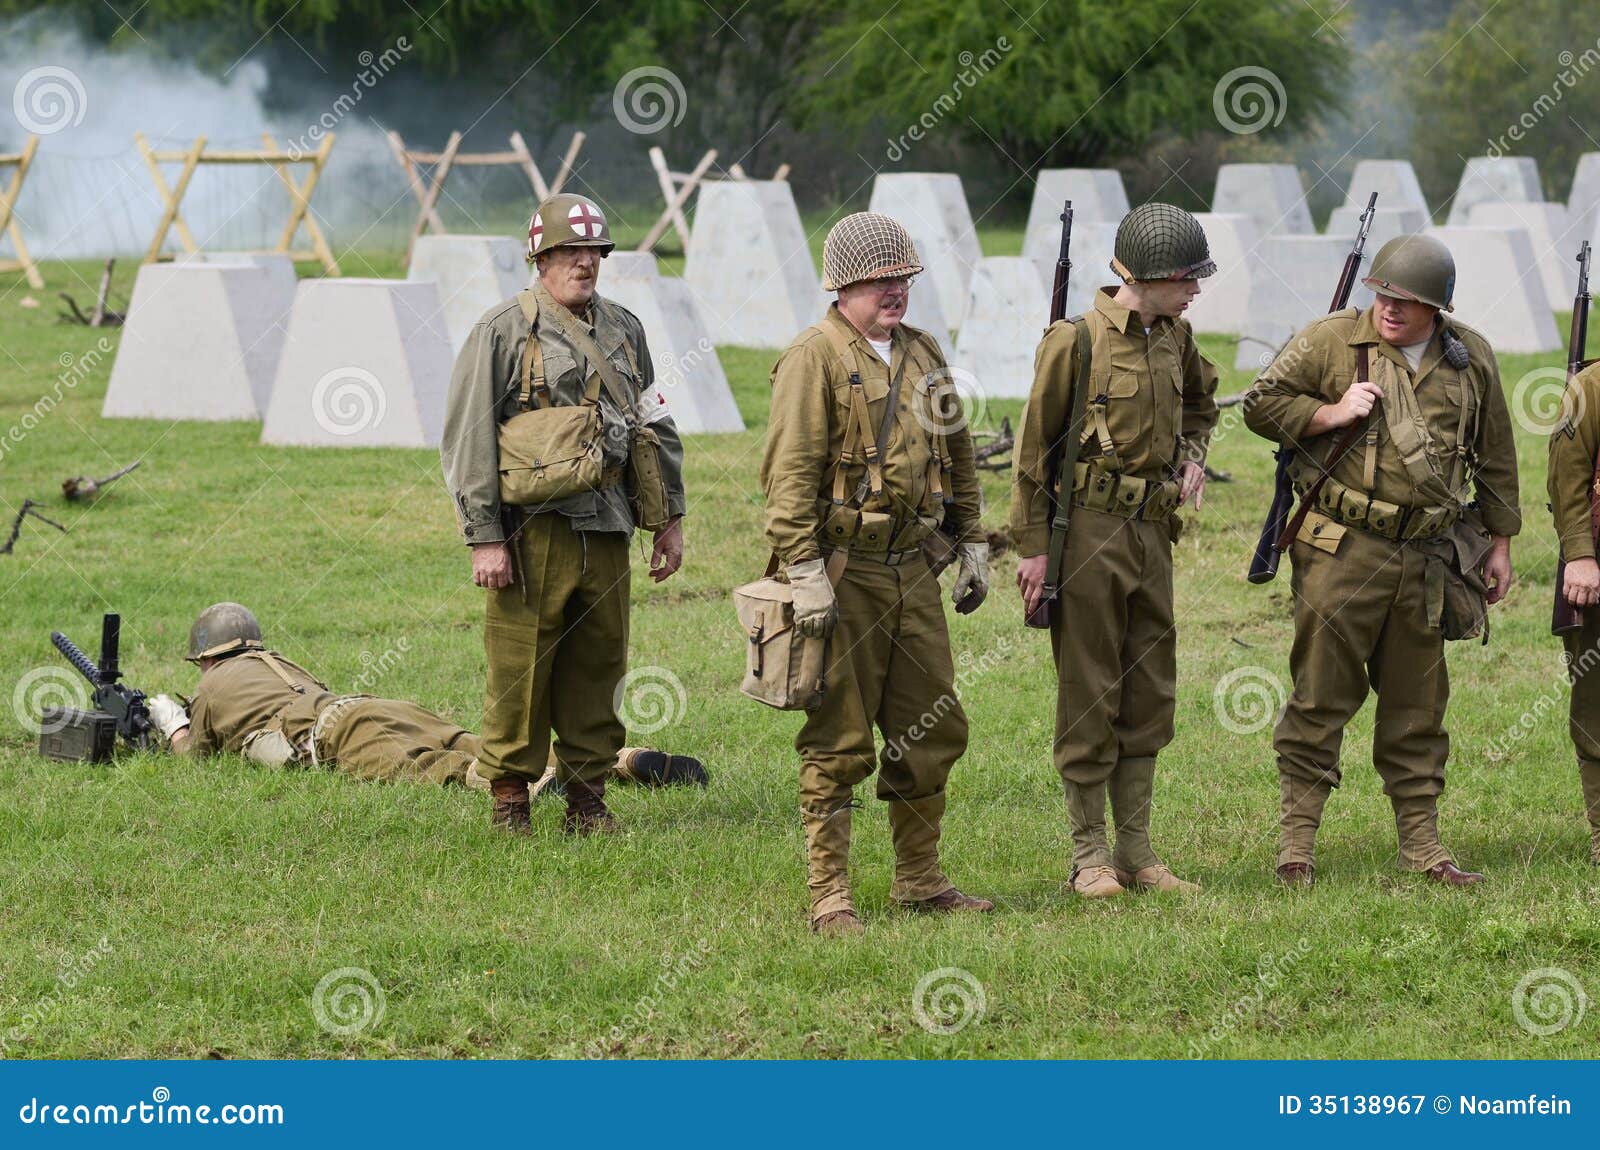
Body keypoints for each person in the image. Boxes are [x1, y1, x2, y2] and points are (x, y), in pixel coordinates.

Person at [1243, 233, 1520, 886]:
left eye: (1408, 301)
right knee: (1320, 696)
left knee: (1418, 706)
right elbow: (1260, 406)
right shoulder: (1331, 339)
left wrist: (1500, 543)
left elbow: (1498, 455)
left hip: (1429, 554)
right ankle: (1296, 847)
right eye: (1384, 296)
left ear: (1437, 307)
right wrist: (1329, 412)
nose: (1392, 310)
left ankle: (1424, 848)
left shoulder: (1469, 357)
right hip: (1343, 545)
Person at [760, 211, 993, 935]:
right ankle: (830, 893)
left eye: (903, 278)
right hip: (842, 569)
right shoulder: (814, 357)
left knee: (934, 725)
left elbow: (957, 454)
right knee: (839, 735)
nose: (895, 291)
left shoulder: (923, 353)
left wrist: (972, 541)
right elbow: (789, 474)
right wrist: (803, 572)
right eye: (880, 281)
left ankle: (919, 879)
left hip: (911, 569)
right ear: (844, 286)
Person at [440, 193, 690, 835]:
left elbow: (653, 418)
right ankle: (509, 799)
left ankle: (587, 798)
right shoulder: (500, 331)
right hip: (533, 529)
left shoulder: (626, 329)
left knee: (600, 663)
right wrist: (484, 538)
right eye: (570, 252)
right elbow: (469, 436)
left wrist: (669, 516)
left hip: (606, 523)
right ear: (541, 257)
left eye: (594, 252)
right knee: (520, 665)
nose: (585, 263)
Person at [1012, 202, 1219, 898]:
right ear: (1149, 276)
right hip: (1089, 531)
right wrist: (1034, 550)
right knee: (1089, 689)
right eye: (1188, 278)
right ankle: (1090, 856)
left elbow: (1202, 404)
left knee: (1150, 685)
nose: (1196, 290)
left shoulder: (1176, 338)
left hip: (1152, 534)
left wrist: (1192, 454)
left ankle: (1138, 852)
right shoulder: (1075, 341)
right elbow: (1032, 451)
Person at [146, 604, 706, 796]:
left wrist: (171, 724)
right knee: (478, 743)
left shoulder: (211, 686)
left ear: (204, 658)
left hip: (338, 736)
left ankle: (536, 787)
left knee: (434, 767)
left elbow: (196, 758)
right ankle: (623, 762)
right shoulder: (278, 661)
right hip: (375, 704)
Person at [1547, 360, 1600, 864]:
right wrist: (1580, 554)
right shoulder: (1590, 387)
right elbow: (1567, 477)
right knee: (1597, 700)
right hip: (1599, 564)